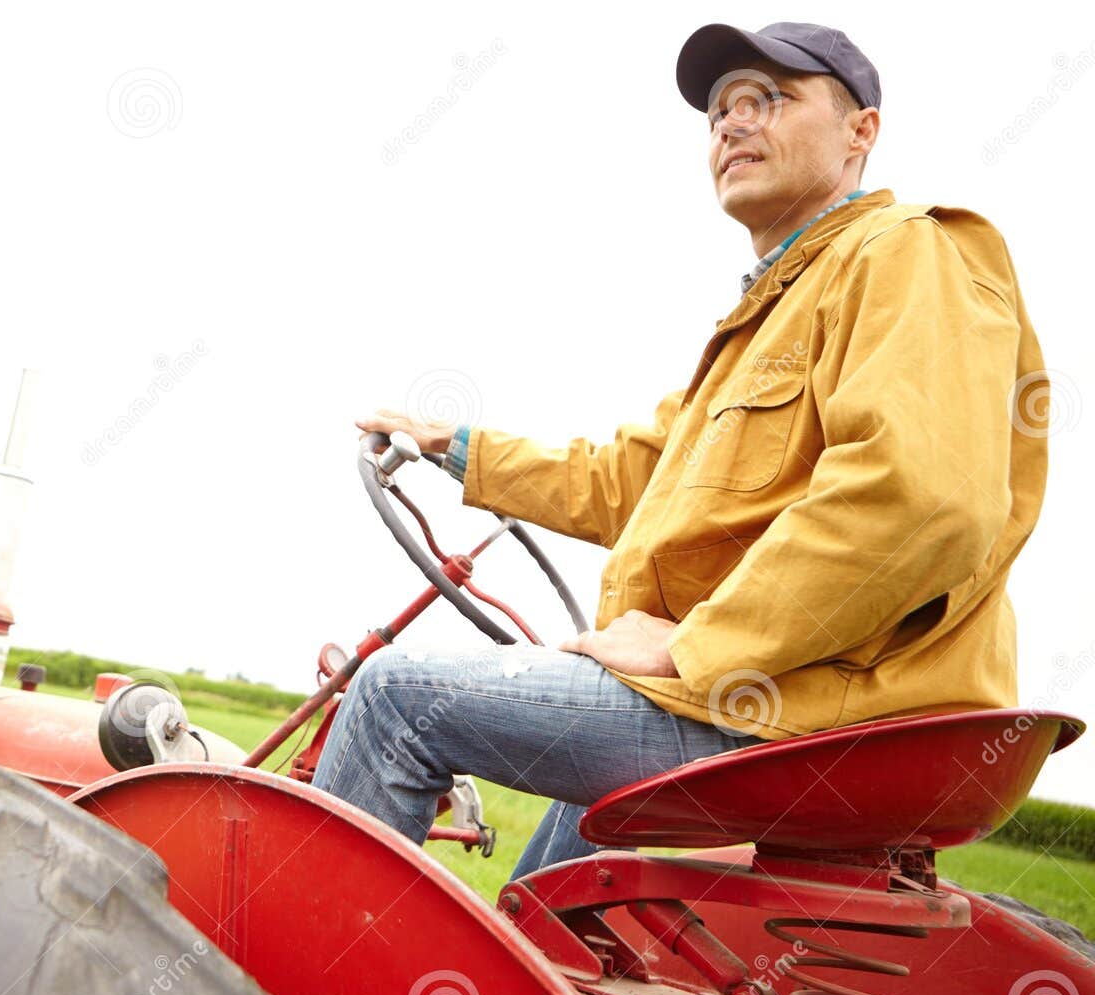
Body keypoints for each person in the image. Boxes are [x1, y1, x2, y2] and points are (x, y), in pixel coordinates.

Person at [314, 21, 1053, 877]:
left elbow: (922, 497)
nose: (732, 124)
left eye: (768, 98)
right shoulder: (772, 313)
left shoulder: (907, 252)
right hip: (770, 697)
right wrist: (461, 450)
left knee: (393, 697)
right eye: (718, 112)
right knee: (549, 890)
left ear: (862, 131)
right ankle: (532, 994)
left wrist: (694, 647)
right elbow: (633, 481)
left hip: (804, 705)